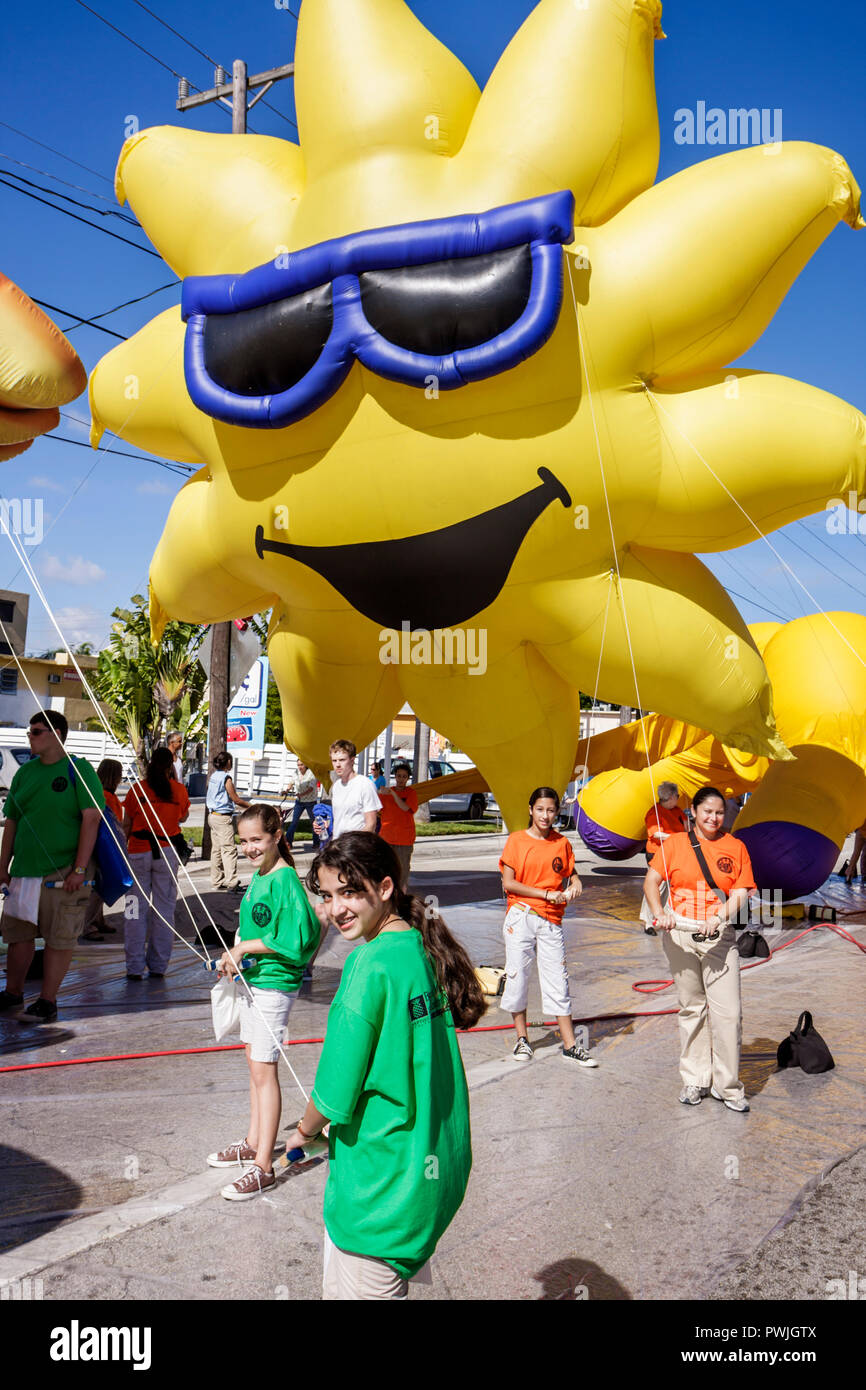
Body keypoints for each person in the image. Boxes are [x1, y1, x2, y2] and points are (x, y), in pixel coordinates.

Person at [285, 831, 484, 1299]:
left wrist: (303, 1132)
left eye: (351, 892)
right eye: (329, 895)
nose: (337, 909)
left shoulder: (367, 966)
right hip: (425, 1172)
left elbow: (334, 1093)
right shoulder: (419, 944)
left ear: (387, 887)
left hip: (380, 1188)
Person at [207, 804, 321, 1200]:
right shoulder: (260, 877)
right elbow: (259, 932)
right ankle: (255, 1141)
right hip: (255, 982)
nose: (249, 848)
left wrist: (244, 950)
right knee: (253, 1064)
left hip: (273, 987)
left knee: (264, 1070)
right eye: (243, 841)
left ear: (276, 836)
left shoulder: (284, 879)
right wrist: (236, 957)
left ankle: (264, 1167)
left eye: (257, 839)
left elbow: (293, 941)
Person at [642, 785, 755, 1112]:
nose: (714, 818)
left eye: (719, 812)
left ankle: (728, 1086)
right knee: (691, 1008)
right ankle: (695, 1079)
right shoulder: (674, 844)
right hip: (679, 934)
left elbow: (741, 893)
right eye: (707, 811)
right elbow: (651, 882)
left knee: (728, 1014)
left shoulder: (735, 846)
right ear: (693, 812)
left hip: (719, 937)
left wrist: (719, 917)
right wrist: (659, 913)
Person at [0, 709, 104, 1023]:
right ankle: (13, 992)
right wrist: (2, 866)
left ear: (56, 733)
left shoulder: (79, 769)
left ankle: (48, 1000)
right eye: (29, 731)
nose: (29, 737)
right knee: (18, 936)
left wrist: (80, 869)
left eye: (35, 731)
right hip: (23, 872)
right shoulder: (24, 773)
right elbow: (12, 822)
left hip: (62, 872)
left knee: (59, 938)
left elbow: (92, 818)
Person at [499, 787, 597, 1068]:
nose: (545, 815)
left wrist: (576, 882)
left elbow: (569, 872)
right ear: (531, 809)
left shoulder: (562, 844)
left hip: (552, 920)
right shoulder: (517, 841)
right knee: (518, 976)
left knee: (558, 979)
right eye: (540, 809)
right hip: (522, 915)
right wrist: (544, 894)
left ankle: (570, 1045)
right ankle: (522, 1039)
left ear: (557, 812)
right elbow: (509, 883)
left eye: (551, 810)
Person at [122, 748, 190, 980]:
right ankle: (159, 965)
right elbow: (182, 817)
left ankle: (133, 967)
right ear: (171, 765)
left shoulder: (136, 789)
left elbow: (126, 825)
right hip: (167, 852)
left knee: (133, 910)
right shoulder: (179, 790)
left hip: (137, 854)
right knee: (164, 909)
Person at [81, 758, 125, 942]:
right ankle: (88, 925)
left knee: (100, 885)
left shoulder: (106, 795)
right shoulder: (104, 796)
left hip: (105, 845)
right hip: (101, 846)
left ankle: (98, 919)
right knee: (95, 888)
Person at [206, 751, 250, 891]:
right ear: (228, 762)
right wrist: (252, 806)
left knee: (217, 850)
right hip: (222, 818)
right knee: (229, 850)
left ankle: (217, 881)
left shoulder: (214, 776)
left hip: (212, 816)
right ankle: (232, 883)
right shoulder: (226, 778)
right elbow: (235, 799)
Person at [324, 739, 381, 839]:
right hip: (337, 846)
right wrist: (324, 824)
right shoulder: (336, 786)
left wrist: (352, 844)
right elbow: (339, 818)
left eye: (342, 760)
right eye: (334, 760)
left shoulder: (365, 784)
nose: (337, 764)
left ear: (352, 760)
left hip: (356, 848)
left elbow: (371, 824)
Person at [377, 761, 418, 890]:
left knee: (402, 873)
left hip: (404, 841)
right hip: (386, 839)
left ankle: (401, 901)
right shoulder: (385, 794)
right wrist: (379, 792)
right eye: (399, 776)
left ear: (408, 778)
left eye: (404, 776)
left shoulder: (411, 793)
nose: (401, 779)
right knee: (385, 872)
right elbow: (376, 809)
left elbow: (405, 807)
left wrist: (393, 794)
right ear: (395, 776)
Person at [282, 759, 320, 850]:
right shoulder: (295, 772)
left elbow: (311, 788)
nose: (300, 767)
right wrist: (286, 790)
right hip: (299, 802)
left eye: (302, 765)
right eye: (298, 765)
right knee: (294, 822)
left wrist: (301, 794)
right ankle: (288, 842)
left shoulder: (311, 773)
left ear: (306, 765)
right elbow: (291, 782)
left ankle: (316, 843)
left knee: (314, 823)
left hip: (311, 801)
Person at [645, 782, 687, 860]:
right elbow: (657, 834)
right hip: (658, 852)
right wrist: (678, 838)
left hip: (676, 850)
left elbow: (686, 826)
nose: (678, 798)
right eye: (677, 796)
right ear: (671, 797)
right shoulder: (654, 813)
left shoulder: (677, 810)